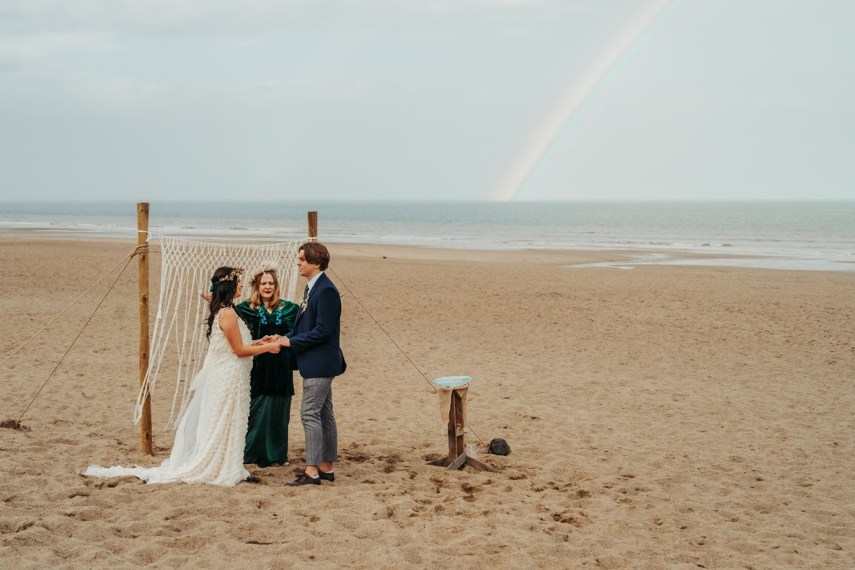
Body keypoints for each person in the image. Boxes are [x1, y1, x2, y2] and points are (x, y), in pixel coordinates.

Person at [84, 267, 280, 486]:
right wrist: (269, 348)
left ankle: (232, 465)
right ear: (229, 286)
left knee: (233, 421)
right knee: (225, 421)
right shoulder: (227, 314)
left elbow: (238, 345)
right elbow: (239, 351)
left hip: (233, 375)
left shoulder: (226, 311)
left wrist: (259, 342)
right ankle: (223, 467)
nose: (242, 285)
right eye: (239, 282)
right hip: (228, 378)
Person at [276, 242, 346, 487]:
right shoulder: (312, 288)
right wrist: (283, 336)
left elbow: (323, 332)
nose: (298, 262)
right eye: (298, 258)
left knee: (309, 413)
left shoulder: (326, 290)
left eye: (303, 259)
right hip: (317, 361)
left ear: (316, 263)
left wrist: (289, 343)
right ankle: (326, 467)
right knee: (325, 414)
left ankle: (313, 471)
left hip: (320, 362)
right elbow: (305, 326)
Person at [234, 265, 299, 467]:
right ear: (257, 286)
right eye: (264, 283)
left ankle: (277, 455)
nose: (268, 286)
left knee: (278, 409)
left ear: (276, 285)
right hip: (257, 364)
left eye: (271, 283)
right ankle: (252, 453)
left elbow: (299, 331)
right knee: (255, 408)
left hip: (281, 366)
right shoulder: (245, 308)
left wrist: (283, 338)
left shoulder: (290, 308)